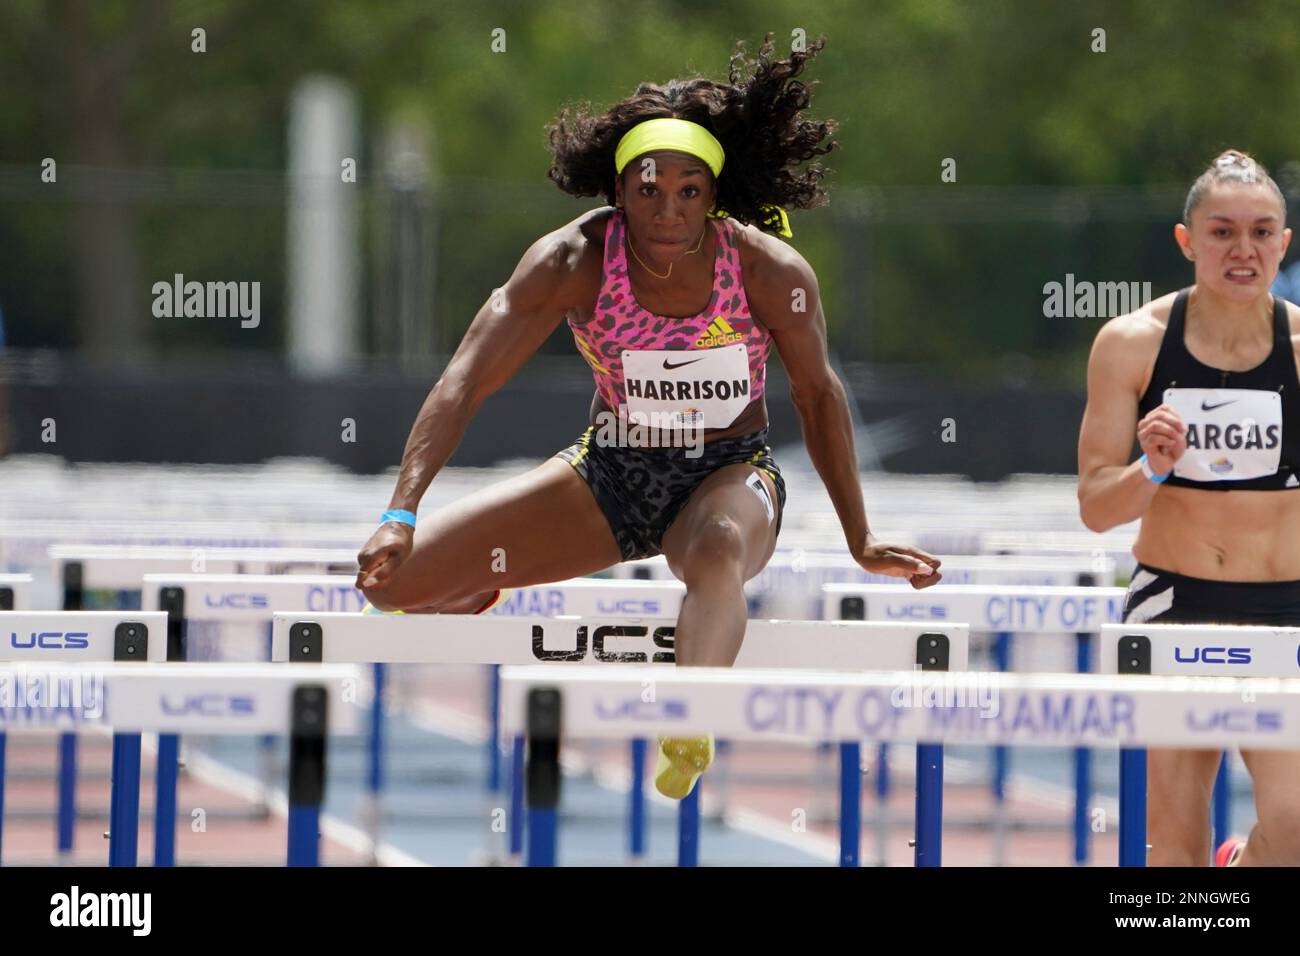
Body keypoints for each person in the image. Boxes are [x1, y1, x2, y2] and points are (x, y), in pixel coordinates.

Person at [356, 35, 941, 800]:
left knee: (719, 543)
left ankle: (688, 720)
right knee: (389, 586)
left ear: (716, 195)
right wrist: (401, 510)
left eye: (690, 191)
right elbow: (466, 380)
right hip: (612, 471)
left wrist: (860, 537)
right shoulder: (572, 262)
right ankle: (474, 581)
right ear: (618, 191)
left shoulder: (768, 271)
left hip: (727, 472)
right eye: (648, 190)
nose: (668, 211)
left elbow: (819, 397)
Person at [1078, 149, 1300, 866]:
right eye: (1223, 232)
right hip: (1175, 606)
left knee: (1294, 824)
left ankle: (1239, 869)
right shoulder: (1132, 345)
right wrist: (1152, 468)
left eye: (1263, 233)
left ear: (1285, 243)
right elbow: (1096, 508)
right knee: (1172, 850)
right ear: (1187, 241)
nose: (1245, 250)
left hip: (1287, 609)